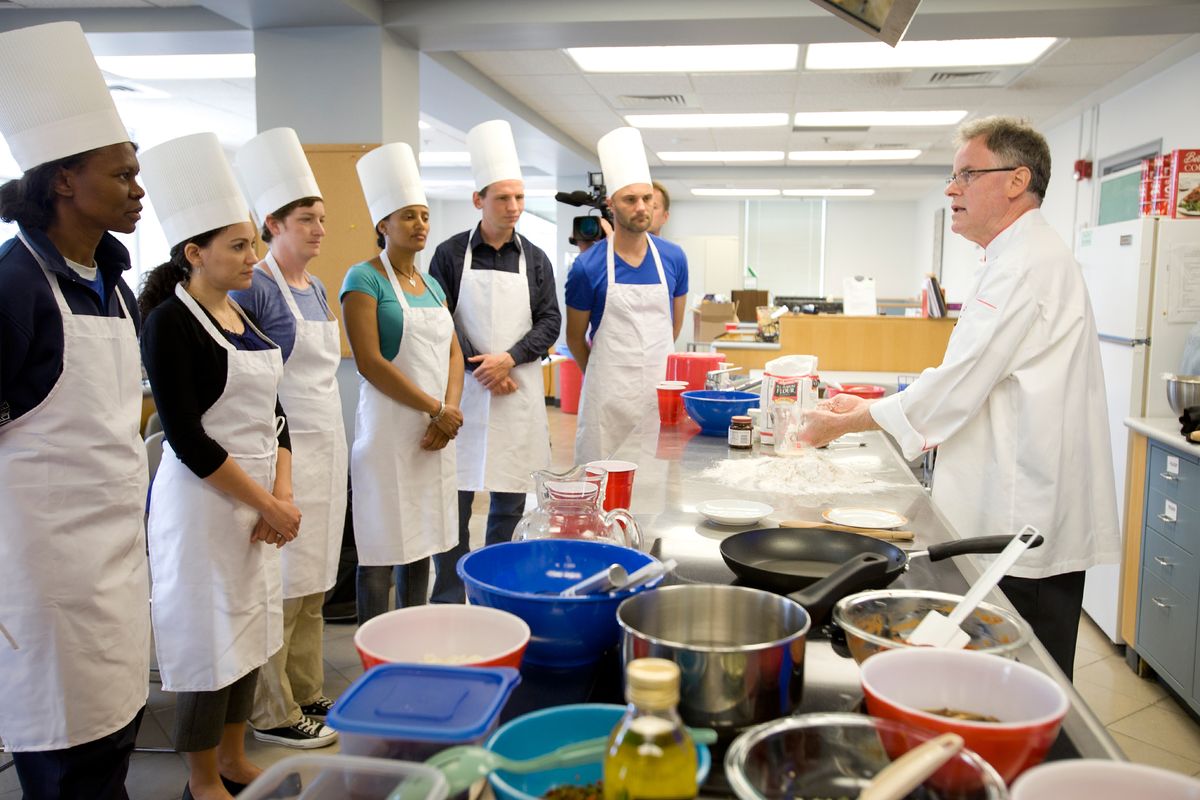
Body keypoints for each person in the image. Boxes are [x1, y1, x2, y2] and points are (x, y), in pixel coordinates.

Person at [800, 116, 1120, 678]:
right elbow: (968, 372)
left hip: (1023, 513)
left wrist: (854, 419)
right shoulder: (1016, 257)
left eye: (966, 175)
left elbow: (962, 381)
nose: (952, 189)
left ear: (1017, 180)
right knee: (1001, 672)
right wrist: (878, 408)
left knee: (1019, 675)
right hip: (1016, 502)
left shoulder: (1023, 265)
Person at [0, 21, 150, 800]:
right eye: (123, 174)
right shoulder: (16, 284)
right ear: (64, 181)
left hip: (114, 564)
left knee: (112, 743)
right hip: (48, 575)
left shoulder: (113, 281)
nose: (138, 189)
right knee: (64, 765)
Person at [139, 132, 301, 800]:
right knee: (207, 648)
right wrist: (267, 505)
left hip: (259, 510)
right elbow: (186, 439)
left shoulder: (244, 314)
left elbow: (279, 414)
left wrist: (280, 495)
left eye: (252, 243)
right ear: (193, 253)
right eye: (238, 246)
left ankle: (234, 758)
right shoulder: (170, 325)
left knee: (249, 637)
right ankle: (202, 778)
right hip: (206, 509)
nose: (253, 257)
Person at [231, 128, 342, 749]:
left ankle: (305, 686)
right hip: (285, 452)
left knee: (316, 580)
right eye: (306, 219)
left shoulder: (317, 287)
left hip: (326, 443)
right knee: (281, 583)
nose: (319, 230)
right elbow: (260, 386)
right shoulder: (261, 287)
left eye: (322, 219)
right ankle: (272, 708)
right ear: (273, 224)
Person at [428, 120, 561, 602]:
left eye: (520, 198)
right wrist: (480, 366)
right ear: (478, 200)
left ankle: (494, 589)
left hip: (517, 390)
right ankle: (447, 596)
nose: (514, 208)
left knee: (509, 498)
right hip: (462, 391)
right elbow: (440, 319)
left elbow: (550, 321)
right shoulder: (447, 255)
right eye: (503, 198)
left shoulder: (538, 259)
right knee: (454, 500)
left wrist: (509, 359)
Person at [342, 142, 463, 622]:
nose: (420, 225)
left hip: (433, 435)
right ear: (382, 225)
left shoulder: (432, 284)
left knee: (423, 541)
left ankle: (413, 635)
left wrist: (449, 414)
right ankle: (376, 647)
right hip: (390, 436)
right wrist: (436, 409)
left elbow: (454, 351)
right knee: (380, 550)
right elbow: (369, 362)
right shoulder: (363, 279)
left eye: (425, 216)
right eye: (408, 216)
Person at [567, 127, 689, 464]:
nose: (641, 207)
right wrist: (605, 376)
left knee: (655, 492)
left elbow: (672, 330)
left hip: (658, 399)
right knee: (602, 490)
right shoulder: (587, 267)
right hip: (606, 405)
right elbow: (576, 339)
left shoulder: (674, 258)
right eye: (629, 199)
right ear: (611, 205)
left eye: (647, 198)